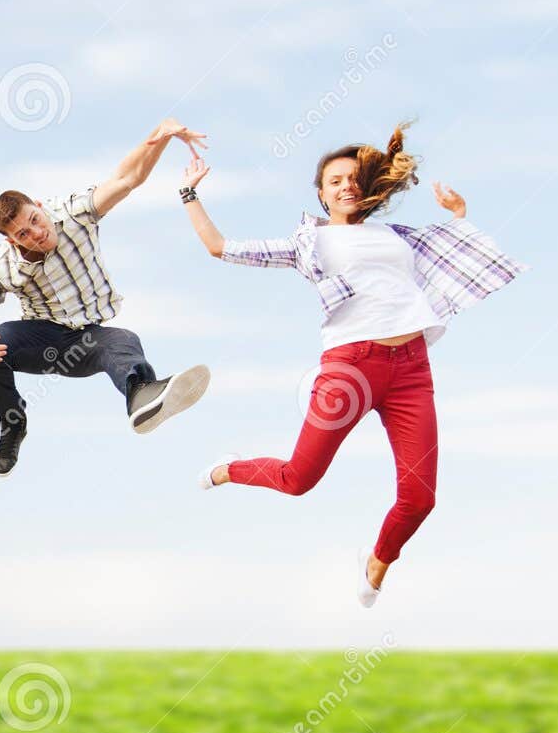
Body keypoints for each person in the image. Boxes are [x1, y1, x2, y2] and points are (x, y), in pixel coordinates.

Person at [180, 122, 525, 606]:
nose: (345, 185)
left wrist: (459, 213)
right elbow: (220, 248)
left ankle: (378, 562)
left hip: (411, 370)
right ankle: (229, 469)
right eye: (334, 181)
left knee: (420, 497)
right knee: (299, 479)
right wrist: (188, 193)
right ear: (321, 195)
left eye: (351, 178)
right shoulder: (310, 244)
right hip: (350, 368)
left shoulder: (397, 236)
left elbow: (449, 256)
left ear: (366, 187)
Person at [0, 118, 213, 475]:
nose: (36, 233)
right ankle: (11, 420)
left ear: (39, 204)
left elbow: (128, 178)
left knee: (124, 341)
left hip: (87, 340)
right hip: (41, 338)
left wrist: (161, 136)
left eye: (34, 219)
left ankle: (142, 395)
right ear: (10, 241)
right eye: (22, 234)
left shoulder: (74, 212)